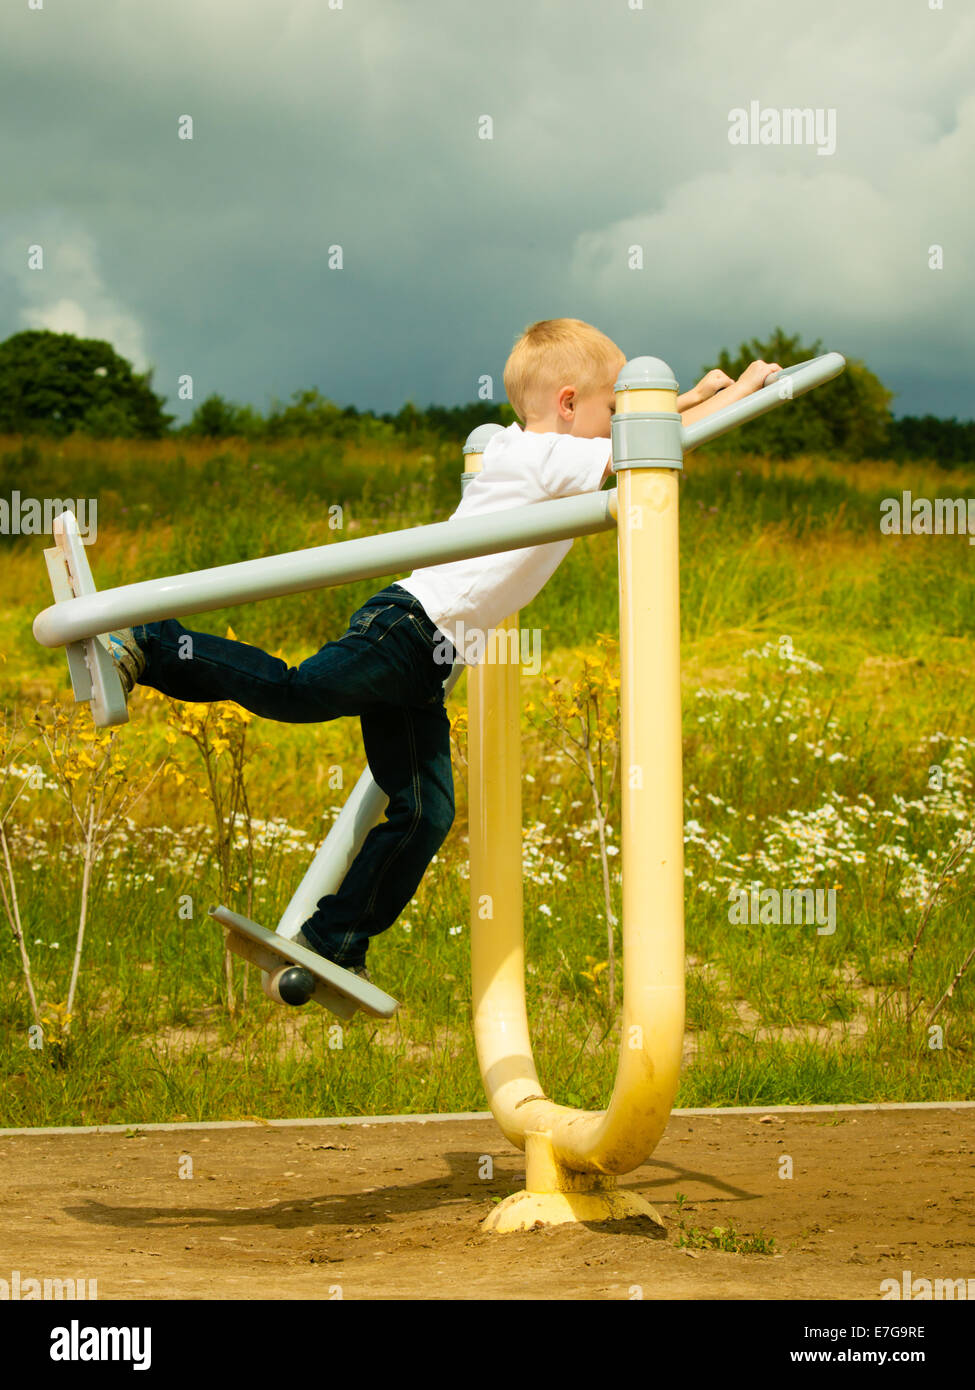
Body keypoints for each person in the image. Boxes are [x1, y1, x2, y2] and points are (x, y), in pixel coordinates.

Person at [108, 318, 779, 983]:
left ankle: (334, 935)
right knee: (298, 691)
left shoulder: (550, 448)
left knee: (426, 814)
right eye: (614, 408)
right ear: (569, 404)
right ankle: (153, 642)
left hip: (430, 657)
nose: (617, 422)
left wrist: (690, 396)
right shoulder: (540, 455)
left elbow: (647, 438)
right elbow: (649, 450)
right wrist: (743, 387)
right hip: (407, 628)